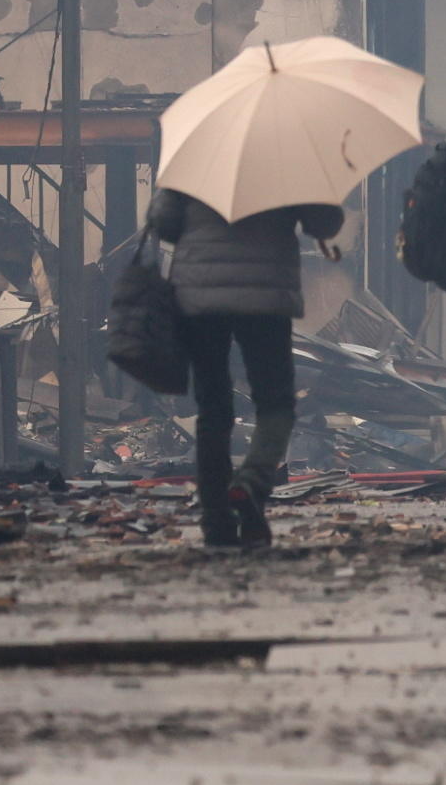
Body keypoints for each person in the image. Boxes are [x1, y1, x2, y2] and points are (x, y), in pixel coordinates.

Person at [144, 183, 345, 549]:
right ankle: (252, 483)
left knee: (213, 408)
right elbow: (325, 222)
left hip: (201, 298)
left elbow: (164, 224)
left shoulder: (197, 159)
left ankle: (216, 520)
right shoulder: (286, 159)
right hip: (266, 297)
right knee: (276, 402)